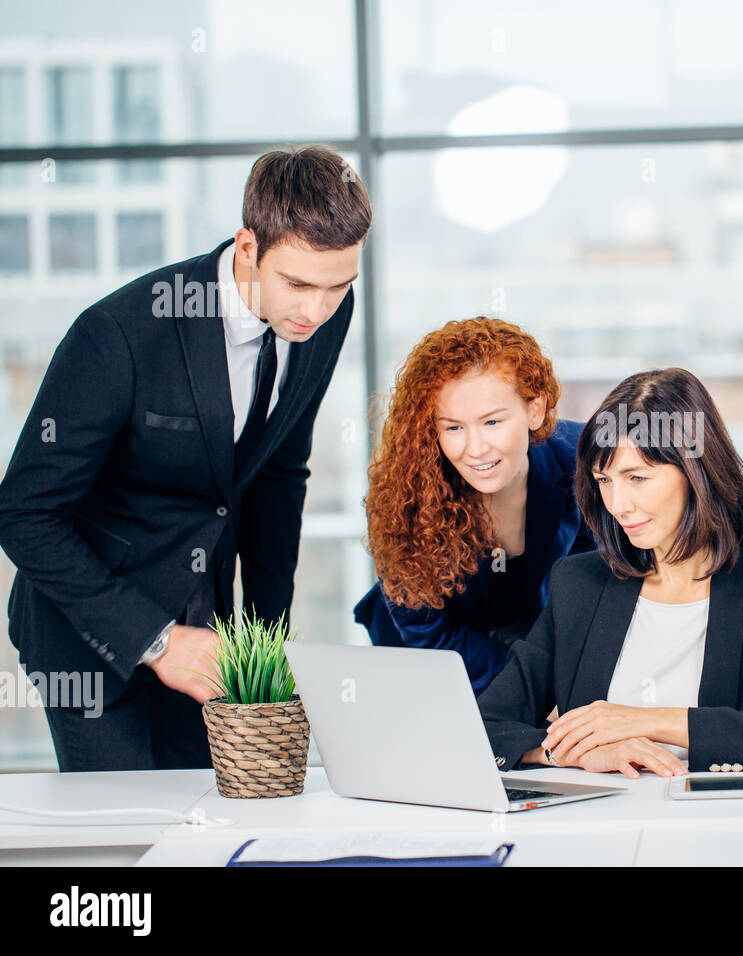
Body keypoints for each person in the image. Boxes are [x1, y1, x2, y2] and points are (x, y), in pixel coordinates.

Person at [0, 145, 371, 771]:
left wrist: (266, 639)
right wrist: (155, 639)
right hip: (91, 633)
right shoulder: (121, 334)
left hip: (210, 630)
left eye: (339, 286)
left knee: (208, 822)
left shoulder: (325, 318)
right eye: (299, 284)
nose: (316, 309)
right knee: (131, 836)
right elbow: (24, 514)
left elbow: (279, 474)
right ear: (248, 247)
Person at [478, 368, 743, 778]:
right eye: (605, 480)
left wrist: (646, 720)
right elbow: (486, 728)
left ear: (698, 474)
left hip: (725, 828)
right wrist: (566, 753)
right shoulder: (579, 584)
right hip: (601, 825)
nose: (618, 505)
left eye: (637, 478)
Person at [354, 318, 595, 693]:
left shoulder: (585, 460)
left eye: (492, 422)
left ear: (535, 410)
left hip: (544, 654)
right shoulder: (407, 496)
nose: (475, 448)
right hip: (432, 667)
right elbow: (429, 635)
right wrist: (525, 692)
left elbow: (597, 588)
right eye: (453, 428)